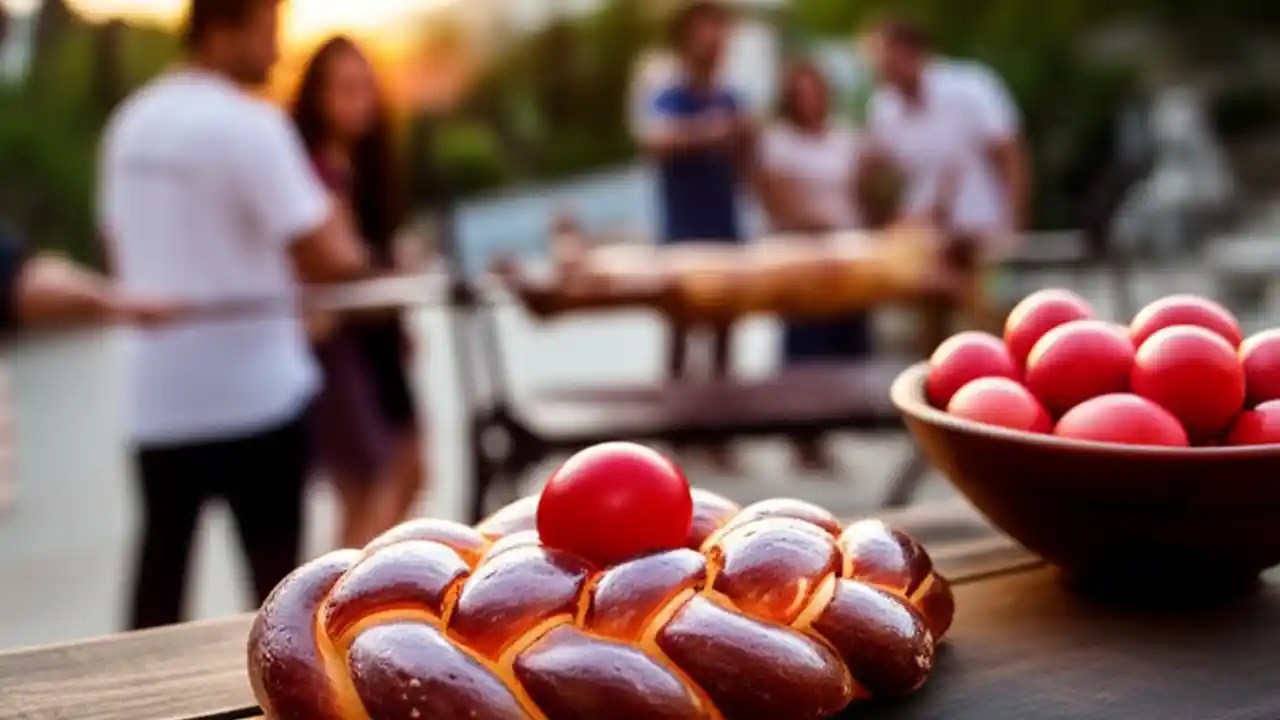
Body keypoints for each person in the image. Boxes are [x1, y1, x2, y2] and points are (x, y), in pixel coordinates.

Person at [99, 0, 368, 629]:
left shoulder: (128, 124)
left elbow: (117, 249)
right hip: (257, 399)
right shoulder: (251, 124)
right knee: (279, 608)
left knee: (157, 600)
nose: (277, 54)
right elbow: (329, 256)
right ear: (226, 30)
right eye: (268, 33)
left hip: (158, 402)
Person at [292, 37, 425, 548]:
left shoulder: (368, 167)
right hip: (340, 344)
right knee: (364, 489)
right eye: (345, 88)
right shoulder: (309, 171)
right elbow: (339, 260)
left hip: (379, 334)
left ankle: (372, 583)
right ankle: (341, 602)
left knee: (410, 469)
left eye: (365, 87)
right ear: (316, 96)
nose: (360, 101)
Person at [755, 61, 871, 469]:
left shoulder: (845, 137)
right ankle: (801, 435)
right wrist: (814, 224)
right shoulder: (779, 141)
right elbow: (777, 197)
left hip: (846, 251)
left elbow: (858, 191)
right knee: (805, 345)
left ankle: (830, 429)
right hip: (800, 254)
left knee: (844, 342)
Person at [640, 1, 752, 381]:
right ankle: (678, 433)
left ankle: (719, 436)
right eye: (708, 33)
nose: (716, 42)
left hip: (726, 235)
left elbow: (748, 166)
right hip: (681, 239)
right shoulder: (667, 93)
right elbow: (656, 141)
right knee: (679, 342)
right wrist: (712, 132)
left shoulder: (731, 97)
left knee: (724, 345)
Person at [864, 19, 1030, 259]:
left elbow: (1011, 156)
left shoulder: (972, 87)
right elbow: (882, 178)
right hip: (923, 242)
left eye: (888, 61)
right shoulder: (882, 109)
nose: (881, 69)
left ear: (914, 53)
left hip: (982, 234)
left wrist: (1014, 224)